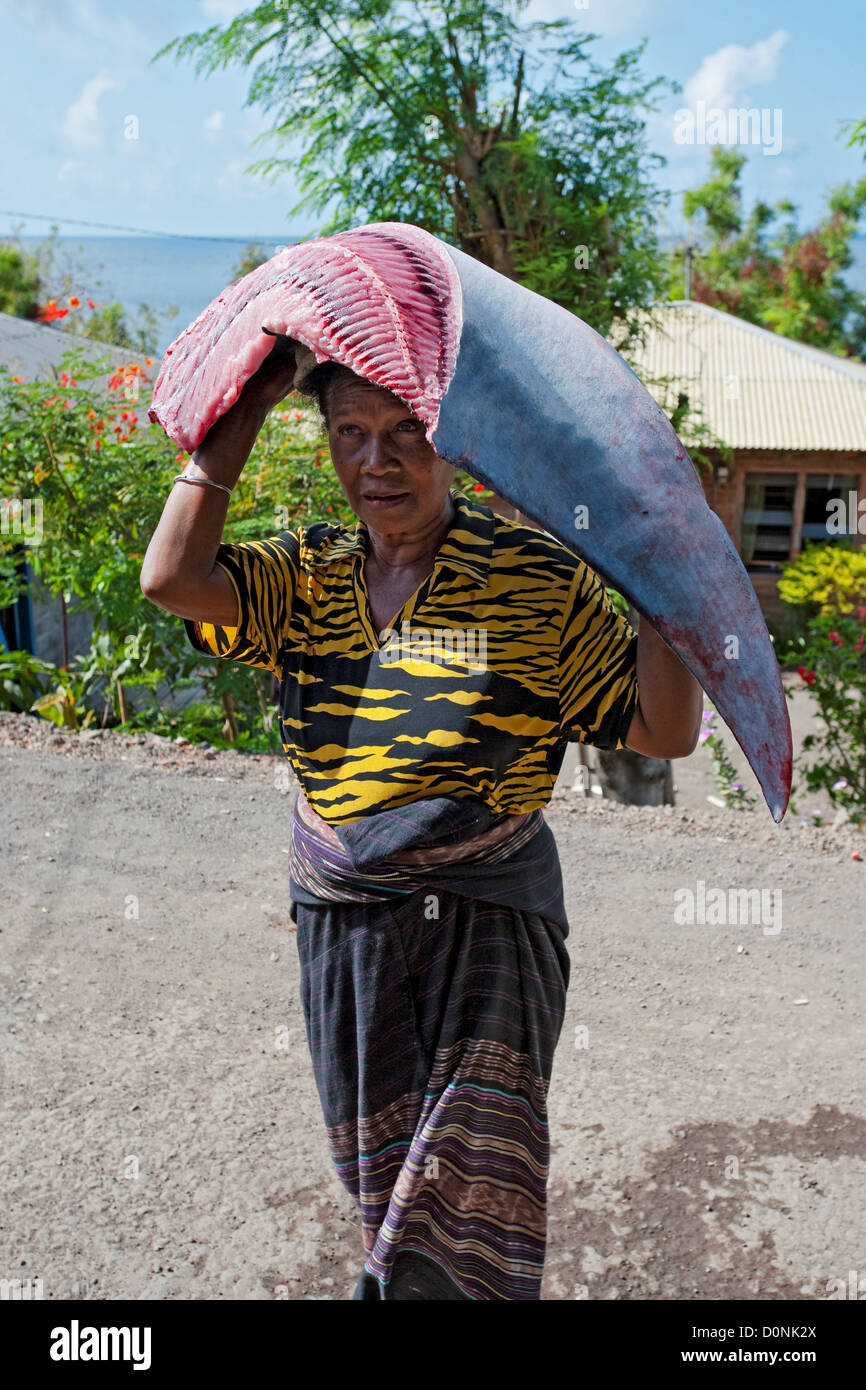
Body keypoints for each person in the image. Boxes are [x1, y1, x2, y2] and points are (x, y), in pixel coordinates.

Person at [140, 343, 702, 1300]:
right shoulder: (306, 572)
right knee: (380, 1179)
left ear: (455, 444)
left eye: (409, 433)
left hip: (488, 923)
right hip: (347, 922)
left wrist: (663, 586)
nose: (378, 462)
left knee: (469, 1177)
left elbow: (664, 729)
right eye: (350, 433)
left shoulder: (534, 580)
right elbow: (172, 580)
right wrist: (248, 405)